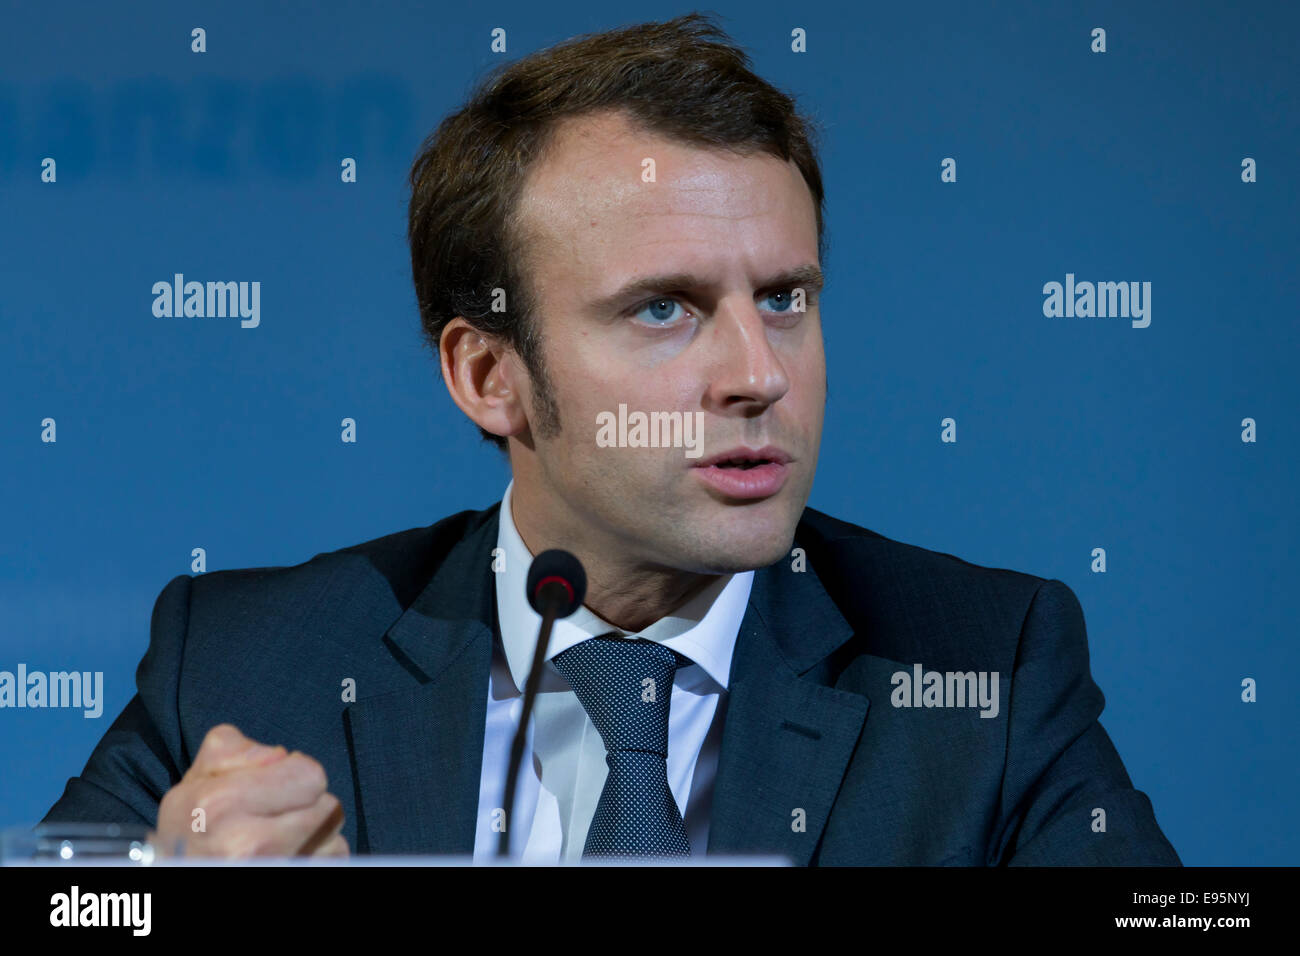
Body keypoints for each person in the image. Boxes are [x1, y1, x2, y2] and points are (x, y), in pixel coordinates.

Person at [42, 13, 1179, 865]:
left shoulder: (982, 662)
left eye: (784, 297)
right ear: (489, 375)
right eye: (662, 308)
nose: (757, 373)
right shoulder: (250, 664)